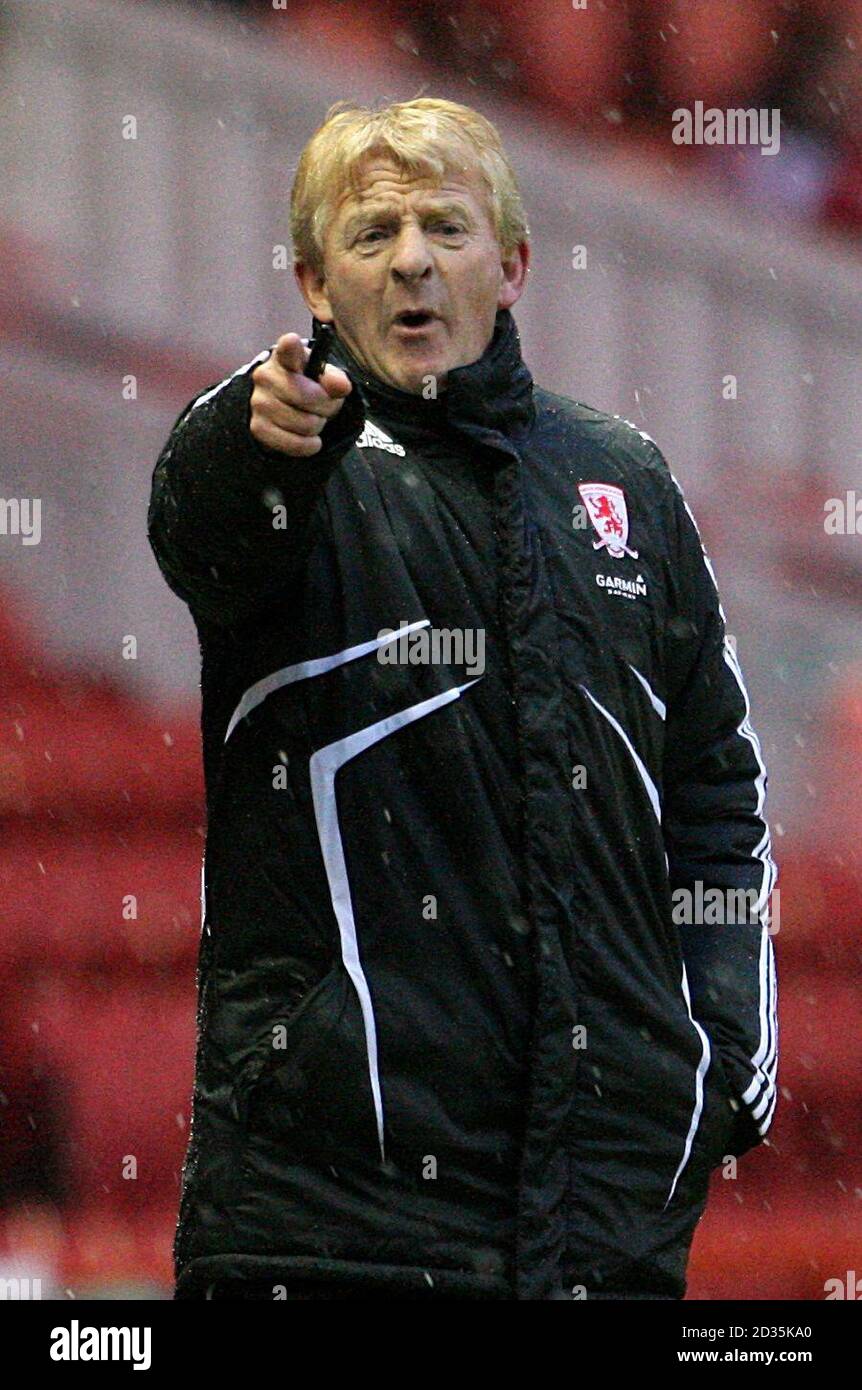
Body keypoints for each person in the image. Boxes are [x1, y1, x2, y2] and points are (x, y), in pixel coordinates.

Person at [148, 97, 778, 1301]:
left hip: (606, 1218)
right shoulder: (286, 463)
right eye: (372, 233)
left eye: (443, 225)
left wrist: (719, 1050)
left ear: (514, 264)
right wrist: (250, 428)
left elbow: (716, 792)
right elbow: (204, 525)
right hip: (328, 1221)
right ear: (316, 284)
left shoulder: (624, 480)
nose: (412, 259)